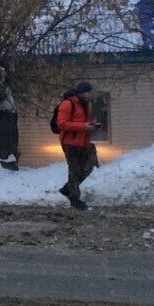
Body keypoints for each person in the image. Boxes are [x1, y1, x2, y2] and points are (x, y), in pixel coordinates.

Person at [57, 81, 100, 210]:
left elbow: (86, 121)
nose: (90, 94)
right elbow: (62, 123)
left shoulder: (86, 105)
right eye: (88, 92)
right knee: (74, 170)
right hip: (70, 143)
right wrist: (83, 126)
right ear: (82, 92)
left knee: (89, 166)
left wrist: (93, 125)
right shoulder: (68, 103)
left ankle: (68, 188)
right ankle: (74, 199)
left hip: (83, 142)